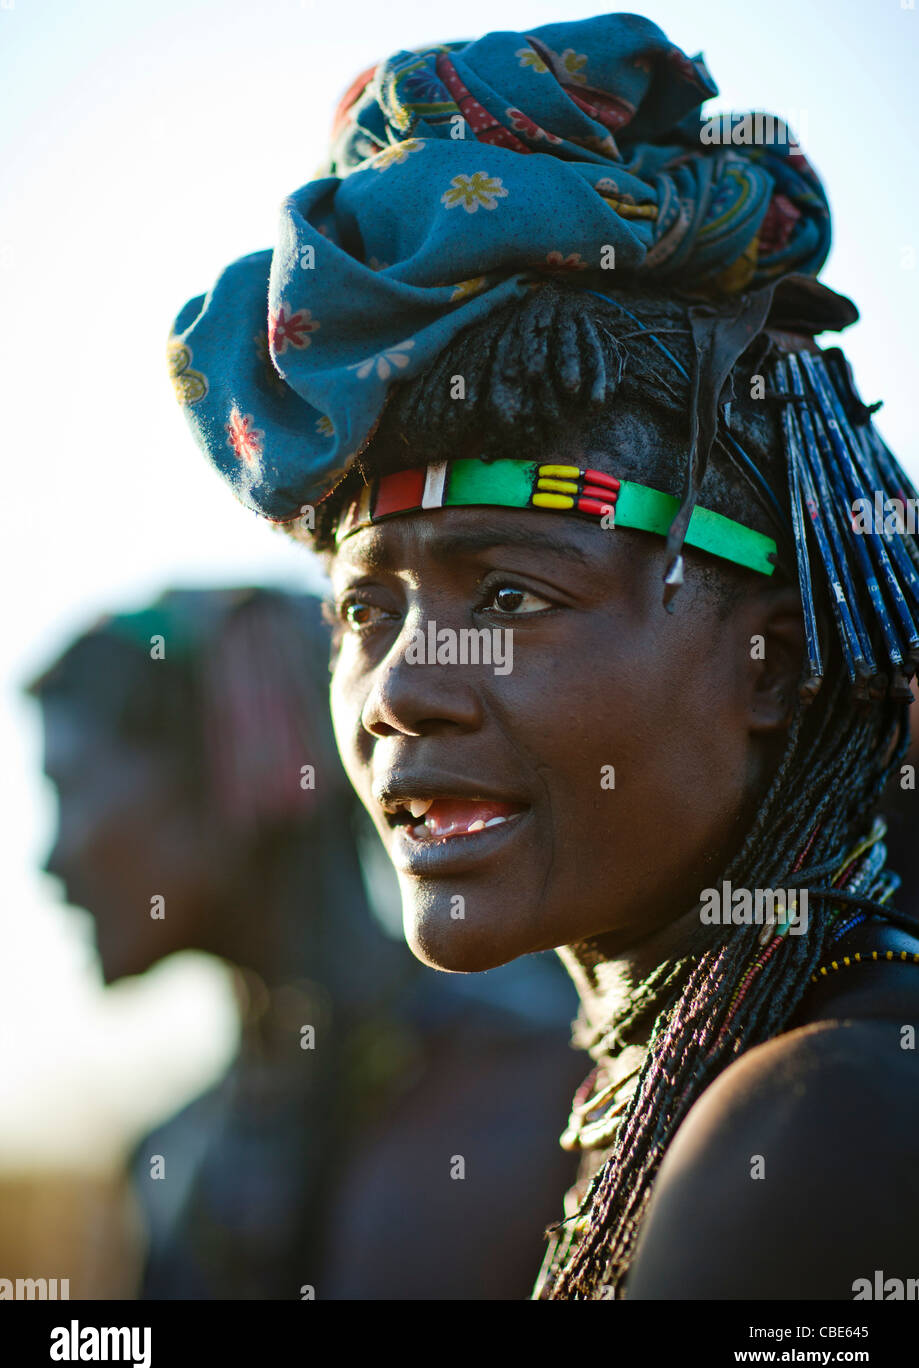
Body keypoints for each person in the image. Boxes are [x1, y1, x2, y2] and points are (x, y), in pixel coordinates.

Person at [166, 14, 919, 1299]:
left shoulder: (819, 1130)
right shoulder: (717, 1090)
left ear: (775, 663)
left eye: (510, 592)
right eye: (362, 612)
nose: (400, 686)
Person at [30, 586, 582, 1298]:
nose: (51, 858)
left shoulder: (531, 1093)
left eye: (68, 789)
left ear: (235, 774)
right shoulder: (173, 1154)